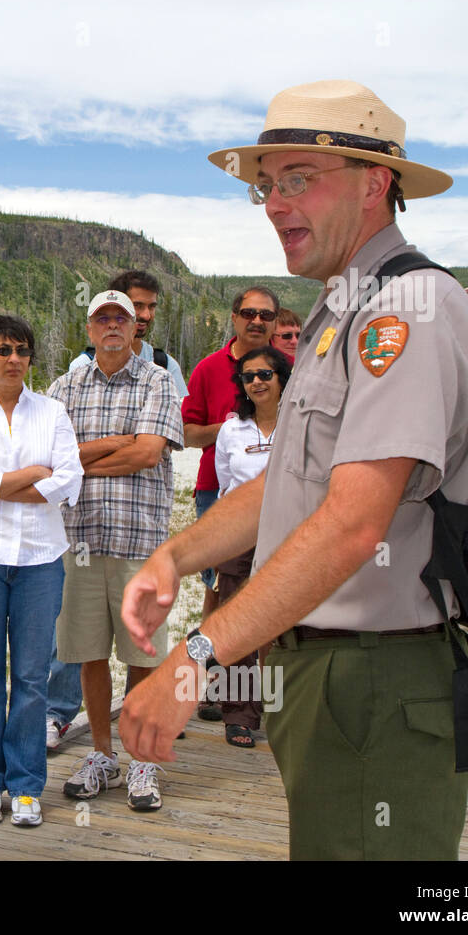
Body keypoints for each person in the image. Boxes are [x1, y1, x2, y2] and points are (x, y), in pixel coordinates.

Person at [120, 79, 468, 860]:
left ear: (374, 184)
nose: (274, 203)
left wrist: (195, 659)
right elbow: (292, 481)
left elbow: (354, 524)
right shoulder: (340, 311)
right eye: (267, 185)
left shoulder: (405, 312)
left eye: (299, 180)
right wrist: (176, 555)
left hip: (377, 684)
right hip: (328, 677)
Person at [47, 289, 182, 812]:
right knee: (89, 653)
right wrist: (111, 445)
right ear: (89, 329)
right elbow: (53, 456)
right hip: (78, 539)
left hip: (138, 541)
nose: (111, 326)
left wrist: (82, 460)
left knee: (142, 656)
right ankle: (103, 754)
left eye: (120, 318)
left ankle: (143, 759)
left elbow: (149, 452)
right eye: (101, 317)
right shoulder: (65, 385)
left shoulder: (157, 380)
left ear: (134, 329)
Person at [0, 314, 83, 827]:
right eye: (5, 350)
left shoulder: (52, 411)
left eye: (23, 350)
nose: (15, 359)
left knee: (33, 677)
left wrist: (0, 485)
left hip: (41, 560)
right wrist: (28, 476)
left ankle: (28, 784)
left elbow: (69, 478)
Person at [181, 284, 279, 722]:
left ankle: (264, 696)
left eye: (265, 314)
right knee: (217, 591)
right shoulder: (207, 369)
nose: (256, 320)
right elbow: (186, 433)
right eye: (248, 312)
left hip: (277, 507)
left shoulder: (289, 369)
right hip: (216, 492)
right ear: (234, 317)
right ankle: (211, 681)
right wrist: (230, 428)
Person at [209, 345, 290, 749]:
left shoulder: (299, 424)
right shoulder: (231, 430)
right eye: (248, 376)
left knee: (284, 626)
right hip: (241, 536)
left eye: (265, 374)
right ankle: (239, 715)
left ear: (282, 379)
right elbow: (226, 482)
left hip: (288, 533)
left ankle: (282, 712)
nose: (256, 381)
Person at [67, 271, 189, 399]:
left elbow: (181, 416)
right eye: (137, 306)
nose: (146, 315)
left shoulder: (166, 365)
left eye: (151, 307)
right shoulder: (82, 367)